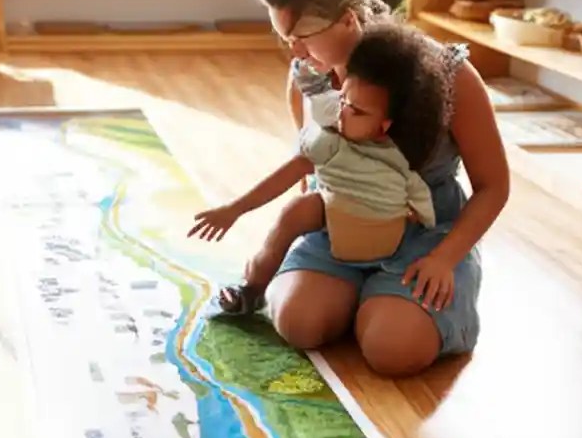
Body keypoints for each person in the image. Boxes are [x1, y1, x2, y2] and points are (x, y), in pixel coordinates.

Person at [199, 0, 510, 377]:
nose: (295, 54)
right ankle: (360, 297)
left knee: (391, 350)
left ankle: (381, 305)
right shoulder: (308, 75)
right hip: (343, 223)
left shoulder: (447, 75)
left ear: (348, 18)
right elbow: (312, 165)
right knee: (297, 321)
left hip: (427, 234)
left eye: (302, 39)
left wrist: (444, 259)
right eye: (286, 41)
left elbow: (494, 185)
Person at [188, 21, 440, 313]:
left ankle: (373, 298)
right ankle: (253, 287)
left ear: (384, 126)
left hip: (385, 239)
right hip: (337, 217)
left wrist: (423, 220)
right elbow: (284, 176)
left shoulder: (397, 158)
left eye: (356, 111)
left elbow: (419, 194)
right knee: (295, 212)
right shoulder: (331, 141)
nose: (342, 113)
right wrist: (235, 209)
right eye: (343, 100)